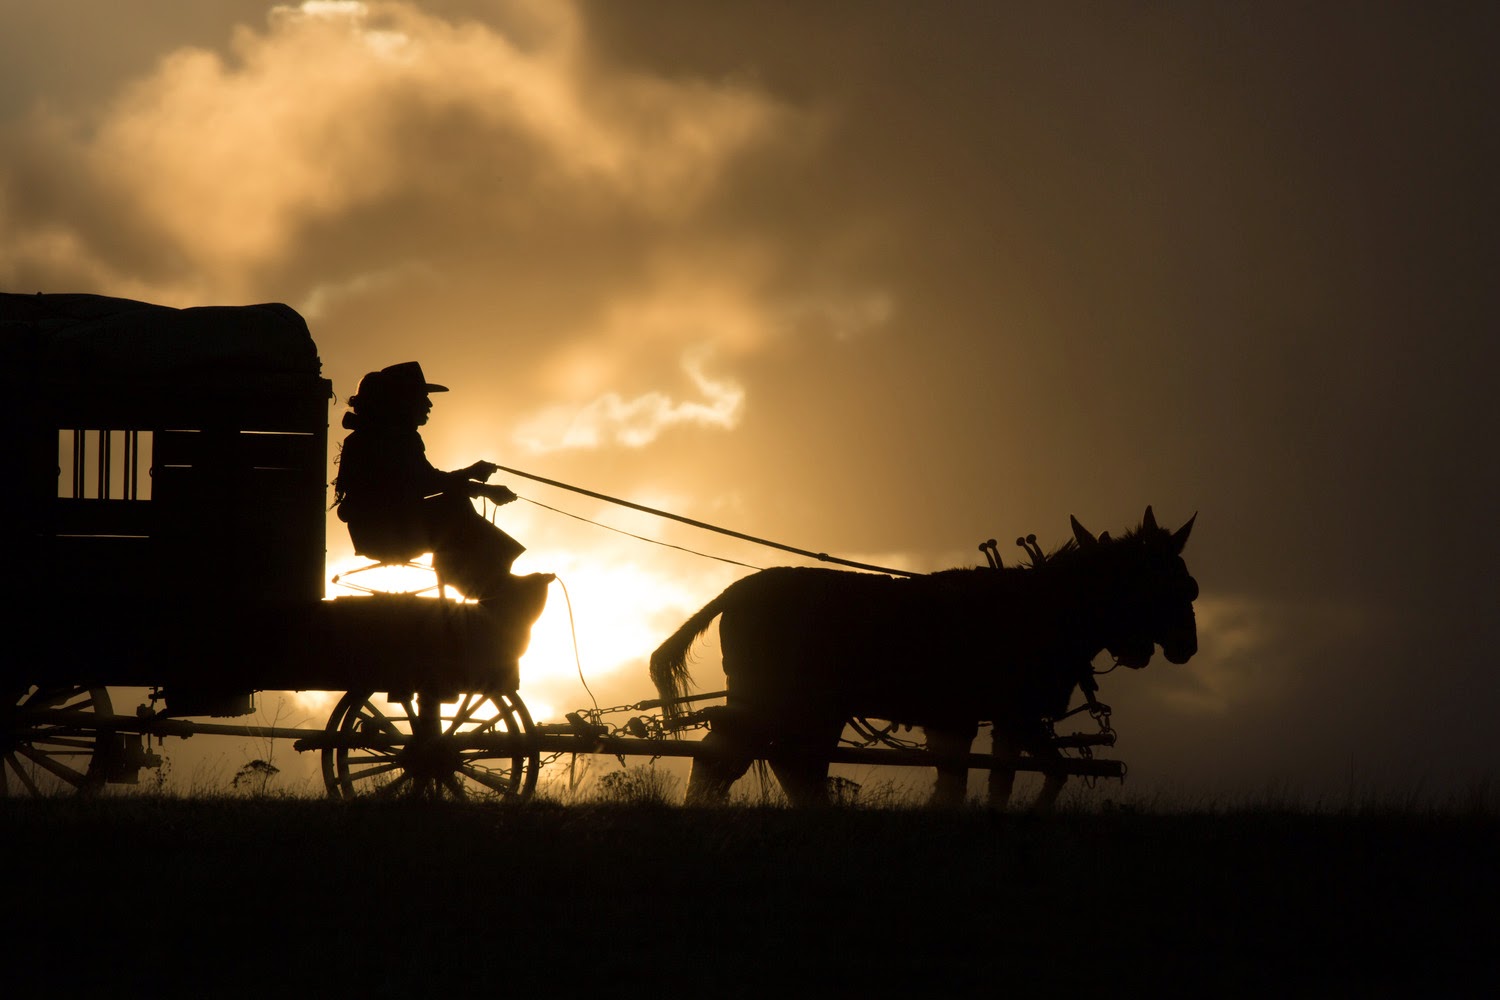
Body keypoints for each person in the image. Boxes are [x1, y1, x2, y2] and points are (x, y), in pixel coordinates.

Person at [332, 362, 550, 617]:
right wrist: (477, 483)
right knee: (454, 510)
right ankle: (491, 584)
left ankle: (492, 581)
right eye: (422, 397)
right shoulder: (392, 438)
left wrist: (476, 484)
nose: (428, 405)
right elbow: (424, 483)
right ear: (401, 401)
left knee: (454, 506)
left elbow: (418, 483)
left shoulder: (374, 436)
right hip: (387, 532)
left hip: (377, 530)